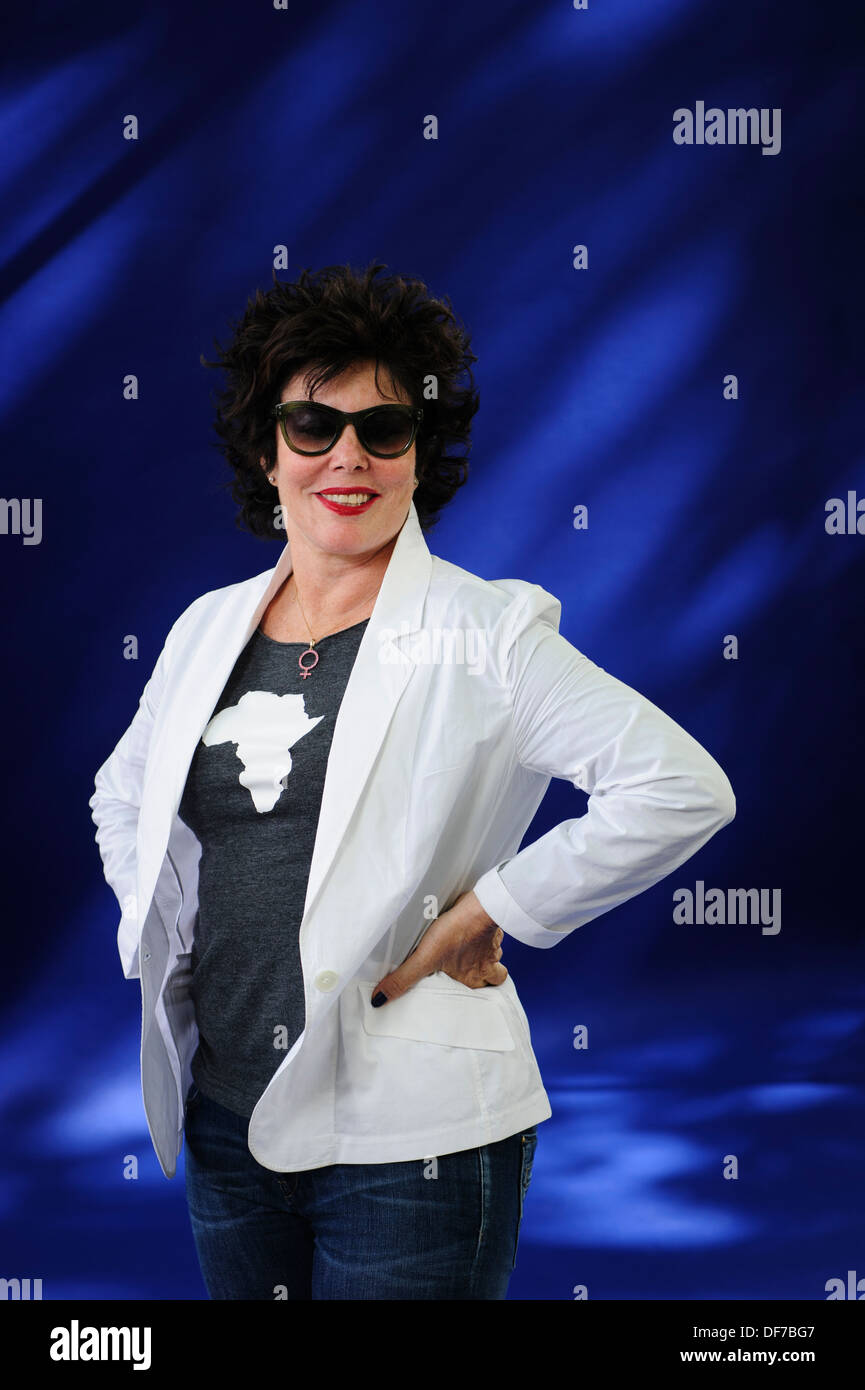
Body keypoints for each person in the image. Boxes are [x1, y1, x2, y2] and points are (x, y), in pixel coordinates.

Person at [89, 260, 736, 1301]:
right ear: (267, 451)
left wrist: (500, 906)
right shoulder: (205, 627)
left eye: (383, 430)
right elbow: (121, 794)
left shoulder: (488, 630)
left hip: (413, 1142)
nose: (347, 454)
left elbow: (678, 786)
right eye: (313, 425)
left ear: (416, 456)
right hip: (225, 1123)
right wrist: (158, 928)